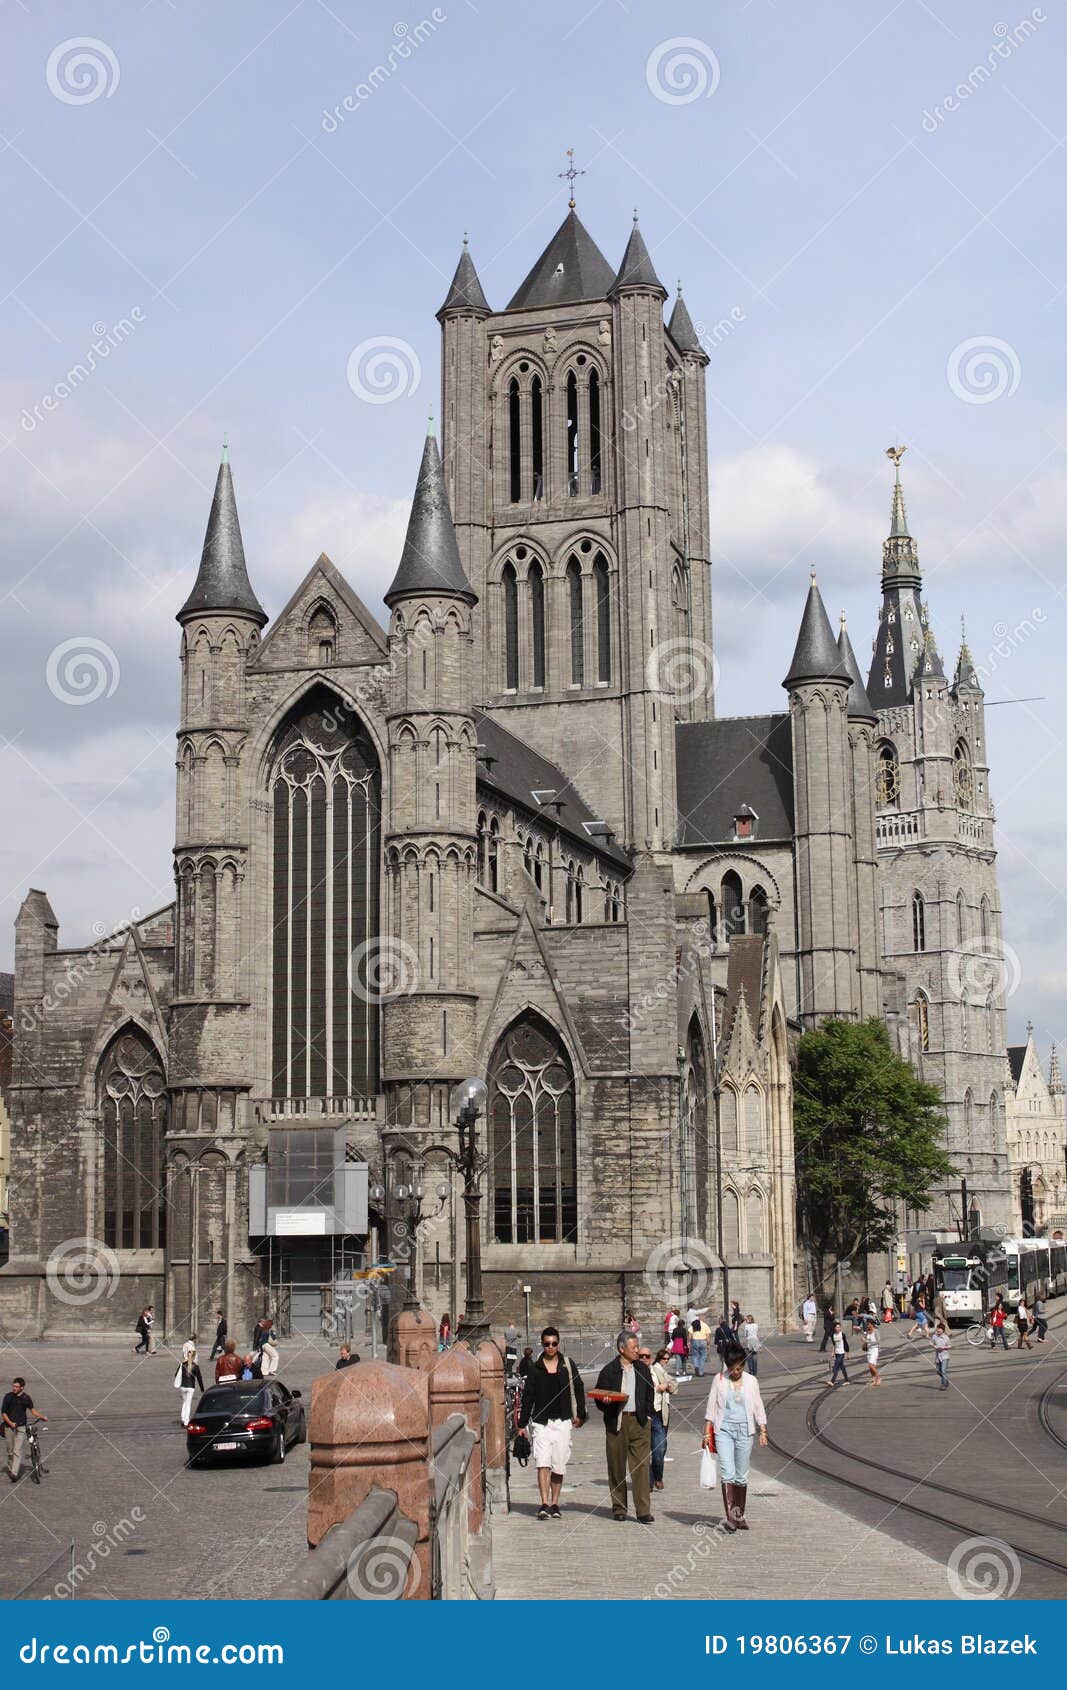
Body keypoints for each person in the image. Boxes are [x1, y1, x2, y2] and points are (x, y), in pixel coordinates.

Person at [517, 1326, 586, 1521]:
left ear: (558, 1343)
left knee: (558, 1464)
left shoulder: (567, 1365)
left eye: (554, 1343)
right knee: (542, 1462)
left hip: (563, 1421)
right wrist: (522, 1425)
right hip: (541, 1423)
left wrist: (580, 1413)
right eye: (547, 1344)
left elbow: (579, 1388)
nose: (550, 1347)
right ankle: (544, 1503)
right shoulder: (535, 1368)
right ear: (542, 1344)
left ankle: (555, 1503)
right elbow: (528, 1397)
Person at [703, 1345, 768, 1532]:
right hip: (723, 1430)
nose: (736, 1372)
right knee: (727, 1473)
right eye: (732, 1368)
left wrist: (762, 1430)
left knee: (741, 1476)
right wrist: (707, 1432)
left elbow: (758, 1406)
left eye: (739, 1368)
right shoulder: (719, 1379)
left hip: (745, 1431)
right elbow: (711, 1407)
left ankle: (740, 1515)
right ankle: (731, 1518)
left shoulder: (751, 1381)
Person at [593, 1330, 656, 1523]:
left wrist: (647, 1416)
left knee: (641, 1467)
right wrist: (605, 1401)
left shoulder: (642, 1369)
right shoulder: (609, 1370)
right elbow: (599, 1398)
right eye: (634, 1347)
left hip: (639, 1422)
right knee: (617, 1466)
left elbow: (649, 1393)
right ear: (622, 1349)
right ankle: (619, 1507)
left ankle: (643, 1510)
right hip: (617, 1422)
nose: (637, 1351)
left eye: (638, 1347)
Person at [3, 1377, 47, 1483]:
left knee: (17, 1450)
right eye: (13, 1386)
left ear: (22, 1387)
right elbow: (3, 1413)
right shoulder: (8, 1397)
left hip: (21, 1427)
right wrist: (10, 1423)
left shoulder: (26, 1398)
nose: (14, 1388)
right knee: (10, 1452)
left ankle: (14, 1473)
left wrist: (41, 1416)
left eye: (16, 1386)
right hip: (9, 1427)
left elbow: (32, 1410)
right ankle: (10, 1468)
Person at [647, 1345, 676, 1492]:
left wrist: (668, 1386)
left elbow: (674, 1384)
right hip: (647, 1414)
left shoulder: (661, 1371)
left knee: (660, 1449)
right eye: (664, 1358)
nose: (666, 1360)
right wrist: (657, 1388)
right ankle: (649, 1482)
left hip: (660, 1413)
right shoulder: (644, 1371)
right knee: (647, 1450)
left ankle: (657, 1476)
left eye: (667, 1358)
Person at [175, 1351, 204, 1426]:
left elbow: (176, 1374)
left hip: (183, 1386)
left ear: (187, 1356)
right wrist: (202, 1389)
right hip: (191, 1387)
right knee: (188, 1404)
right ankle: (186, 1422)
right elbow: (199, 1378)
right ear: (194, 1357)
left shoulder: (182, 1364)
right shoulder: (196, 1366)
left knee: (184, 1402)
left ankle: (182, 1418)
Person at [930, 1320, 951, 1389]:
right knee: (938, 1372)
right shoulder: (934, 1336)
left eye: (939, 1329)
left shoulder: (946, 1337)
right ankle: (946, 1380)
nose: (938, 1330)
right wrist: (934, 1346)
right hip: (937, 1357)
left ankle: (943, 1385)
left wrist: (943, 1348)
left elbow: (949, 1346)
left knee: (943, 1371)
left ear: (943, 1330)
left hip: (945, 1357)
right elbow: (931, 1343)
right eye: (937, 1329)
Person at [688, 1312, 711, 1377]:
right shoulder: (705, 1325)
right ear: (703, 1318)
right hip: (703, 1341)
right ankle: (701, 1372)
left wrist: (689, 1342)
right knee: (703, 1357)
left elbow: (690, 1335)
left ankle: (696, 1367)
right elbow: (708, 1336)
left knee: (695, 1356)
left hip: (695, 1341)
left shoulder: (693, 1324)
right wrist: (708, 1344)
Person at [828, 1321, 849, 1386]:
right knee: (842, 1367)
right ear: (834, 1328)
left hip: (842, 1353)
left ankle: (832, 1381)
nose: (838, 1328)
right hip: (837, 1353)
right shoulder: (833, 1335)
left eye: (839, 1327)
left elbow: (846, 1344)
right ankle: (847, 1380)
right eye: (837, 1327)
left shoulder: (842, 1334)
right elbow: (834, 1344)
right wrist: (833, 1352)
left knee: (836, 1366)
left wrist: (847, 1353)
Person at [863, 1320, 883, 1387]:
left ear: (872, 1324)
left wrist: (867, 1342)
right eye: (867, 1324)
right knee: (871, 1367)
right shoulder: (867, 1332)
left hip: (874, 1349)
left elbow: (878, 1341)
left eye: (868, 1324)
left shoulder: (876, 1331)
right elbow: (865, 1339)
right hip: (869, 1350)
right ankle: (874, 1380)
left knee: (870, 1365)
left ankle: (879, 1378)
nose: (867, 1325)